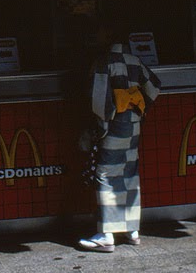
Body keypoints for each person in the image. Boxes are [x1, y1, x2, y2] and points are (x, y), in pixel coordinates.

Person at [77, 20, 162, 253]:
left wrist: (102, 125)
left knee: (105, 173)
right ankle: (132, 230)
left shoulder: (104, 62)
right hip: (133, 124)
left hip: (113, 125)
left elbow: (98, 100)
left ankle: (106, 234)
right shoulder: (134, 60)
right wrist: (139, 109)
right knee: (128, 171)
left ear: (108, 35)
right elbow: (154, 86)